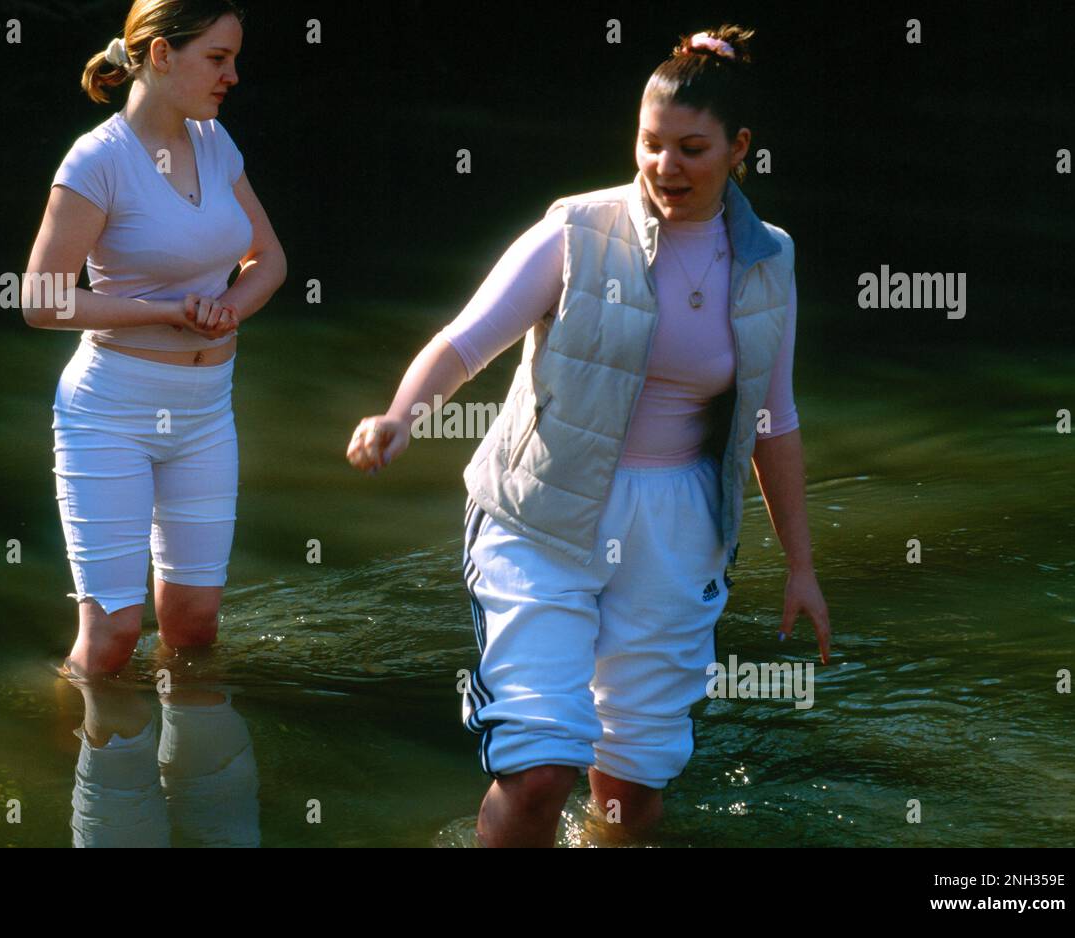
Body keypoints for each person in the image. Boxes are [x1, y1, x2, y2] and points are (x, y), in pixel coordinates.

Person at [346, 25, 830, 847]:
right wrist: (400, 414)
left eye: (691, 149)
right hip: (541, 513)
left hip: (676, 528)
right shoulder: (577, 230)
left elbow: (771, 422)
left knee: (628, 795)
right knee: (538, 771)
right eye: (650, 144)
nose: (664, 167)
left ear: (740, 149)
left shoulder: (768, 259)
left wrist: (801, 566)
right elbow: (466, 342)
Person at [23, 0, 286, 677]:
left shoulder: (215, 144)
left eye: (234, 60)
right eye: (217, 59)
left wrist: (228, 308)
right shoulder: (97, 160)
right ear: (163, 56)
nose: (230, 76)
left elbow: (270, 260)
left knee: (194, 628)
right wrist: (164, 312)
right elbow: (39, 300)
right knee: (112, 636)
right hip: (111, 412)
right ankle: (81, 756)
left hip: (205, 411)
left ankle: (192, 776)